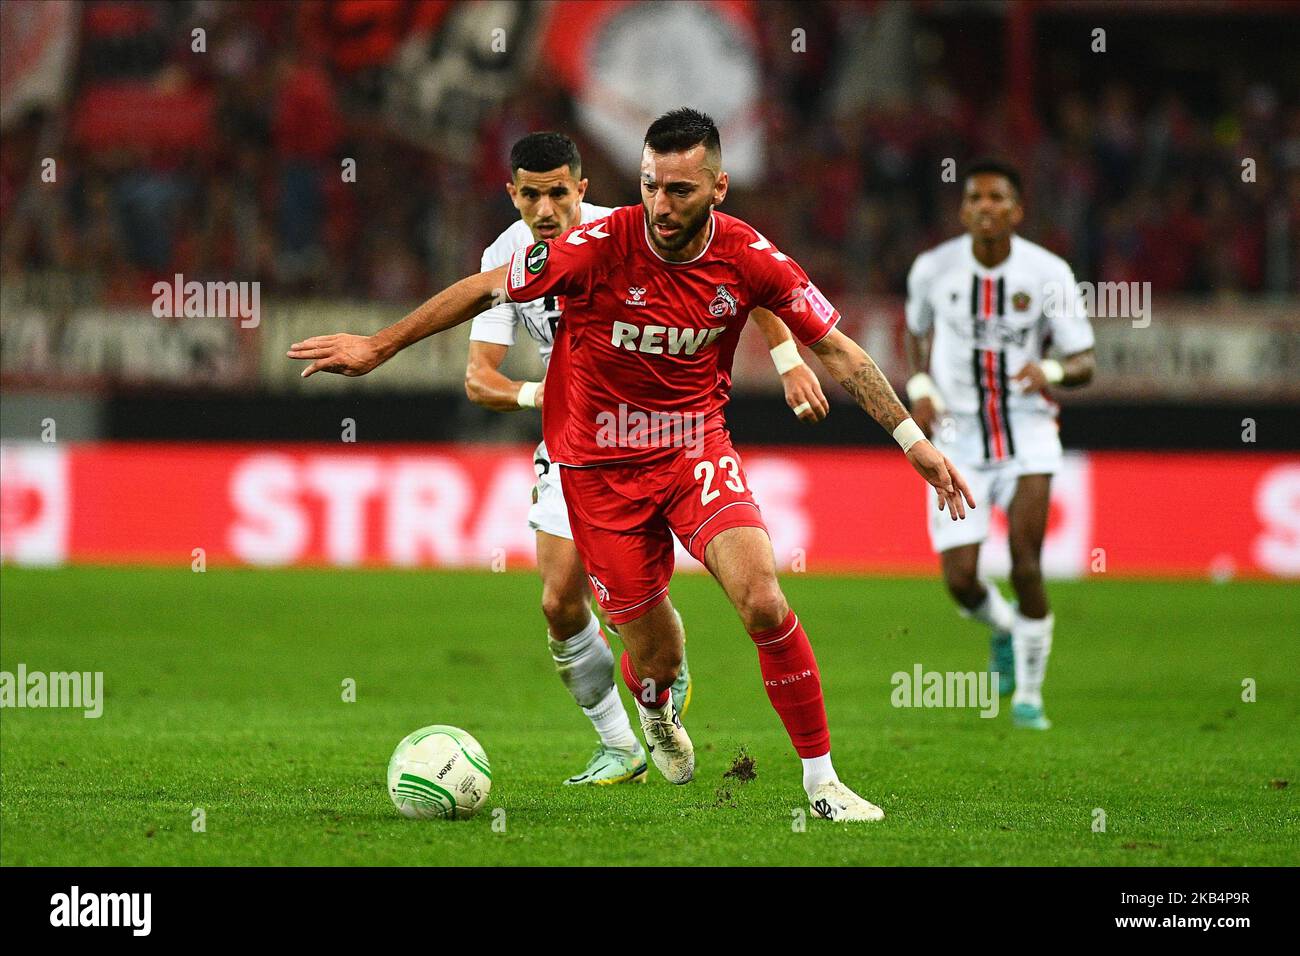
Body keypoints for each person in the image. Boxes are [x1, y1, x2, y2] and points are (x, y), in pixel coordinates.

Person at [289, 108, 974, 821]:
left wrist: (912, 442)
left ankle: (824, 784)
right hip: (596, 470)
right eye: (649, 185)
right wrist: (378, 346)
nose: (660, 205)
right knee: (658, 660)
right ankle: (650, 711)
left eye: (679, 190)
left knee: (764, 599)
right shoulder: (596, 245)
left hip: (693, 447)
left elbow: (837, 346)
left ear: (719, 188)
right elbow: (483, 289)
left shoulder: (748, 254)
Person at [465, 131, 830, 785]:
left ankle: (659, 675)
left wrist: (788, 358)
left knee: (728, 604)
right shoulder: (504, 255)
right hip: (578, 440)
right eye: (530, 195)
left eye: (557, 193)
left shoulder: (632, 229)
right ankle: (620, 743)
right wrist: (544, 394)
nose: (545, 211)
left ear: (581, 189)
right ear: (513, 195)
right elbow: (478, 380)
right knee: (558, 602)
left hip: (670, 430)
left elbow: (750, 281)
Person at [903, 159, 1096, 730]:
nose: (986, 208)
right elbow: (914, 332)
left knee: (1027, 562)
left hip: (1029, 432)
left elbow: (1085, 360)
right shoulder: (933, 269)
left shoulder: (1049, 273)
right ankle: (1009, 631)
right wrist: (919, 386)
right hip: (957, 439)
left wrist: (1054, 371)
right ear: (963, 210)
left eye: (998, 199)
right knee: (961, 580)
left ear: (1017, 210)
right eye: (976, 198)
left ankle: (1030, 698)